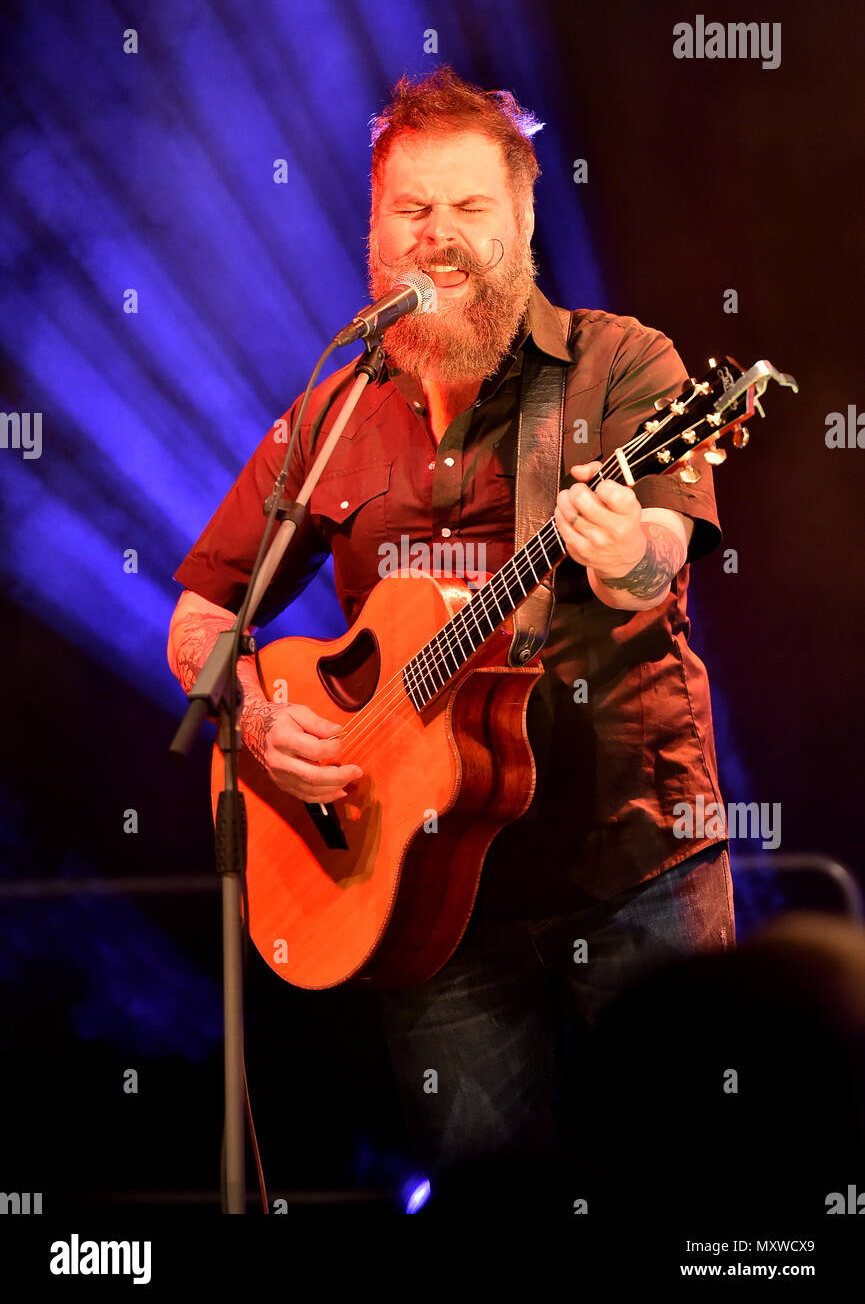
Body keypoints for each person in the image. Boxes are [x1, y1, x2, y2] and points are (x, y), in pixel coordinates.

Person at [167, 66, 735, 1187]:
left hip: (630, 867)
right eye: (410, 210)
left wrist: (627, 555)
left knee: (687, 1193)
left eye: (470, 208)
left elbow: (660, 554)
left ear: (522, 218)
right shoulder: (331, 414)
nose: (440, 237)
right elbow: (203, 612)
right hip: (424, 906)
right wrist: (258, 715)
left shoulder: (623, 367)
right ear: (373, 232)